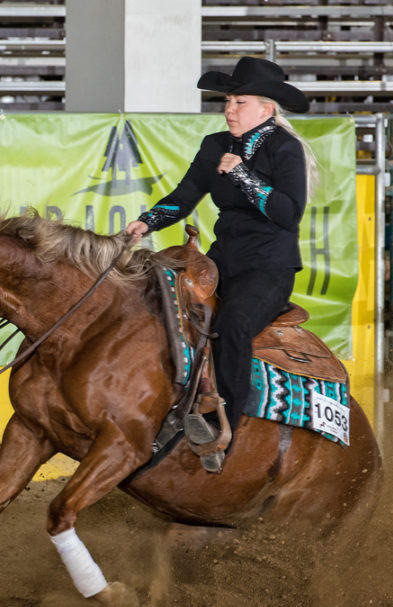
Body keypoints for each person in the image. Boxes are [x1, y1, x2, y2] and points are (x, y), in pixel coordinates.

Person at [126, 56, 319, 472]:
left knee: (233, 324)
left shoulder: (285, 149)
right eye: (228, 101)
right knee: (162, 311)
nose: (229, 109)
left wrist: (245, 176)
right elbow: (186, 193)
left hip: (269, 267)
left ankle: (223, 428)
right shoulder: (215, 145)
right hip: (221, 263)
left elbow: (288, 213)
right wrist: (147, 221)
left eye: (240, 102)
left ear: (267, 109)